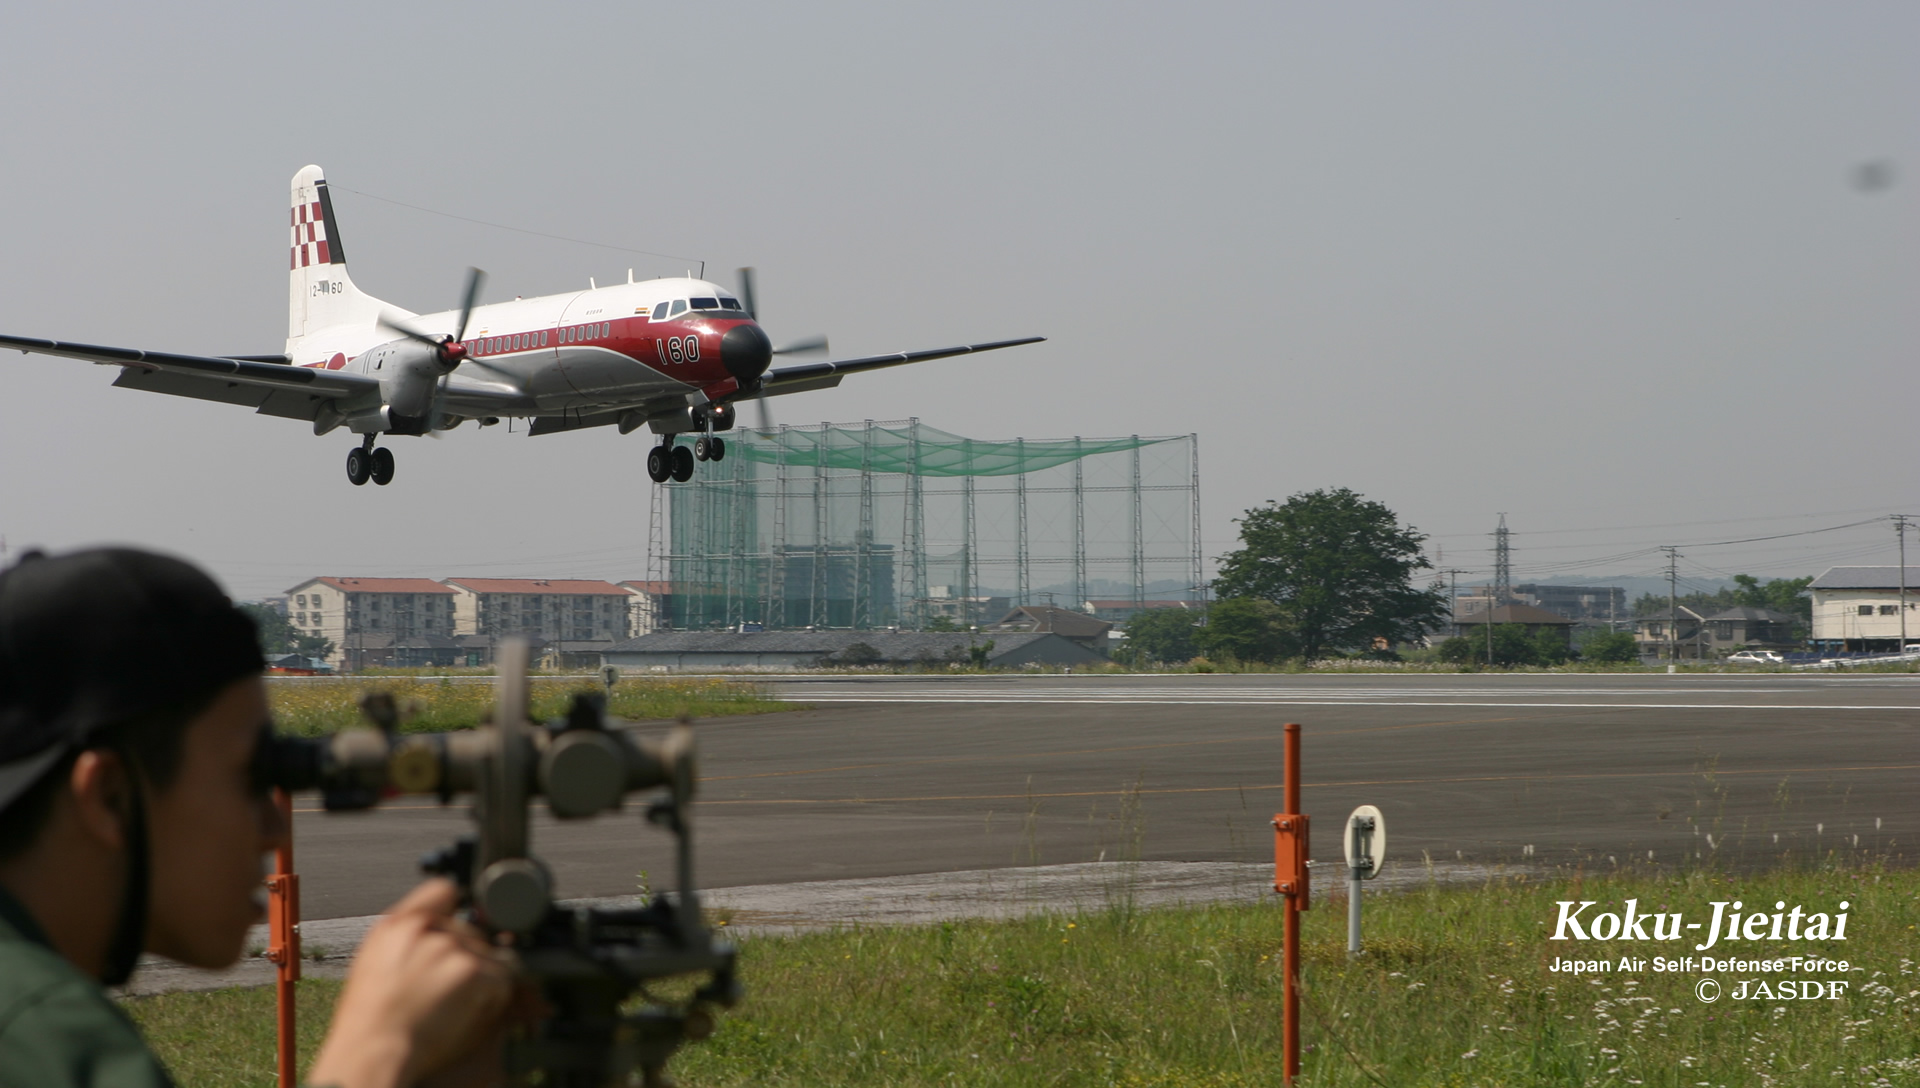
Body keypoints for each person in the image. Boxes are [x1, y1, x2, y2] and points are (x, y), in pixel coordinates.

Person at [0, 547, 514, 1087]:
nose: (274, 828)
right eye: (249, 779)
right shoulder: (47, 1036)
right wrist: (376, 1054)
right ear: (107, 797)